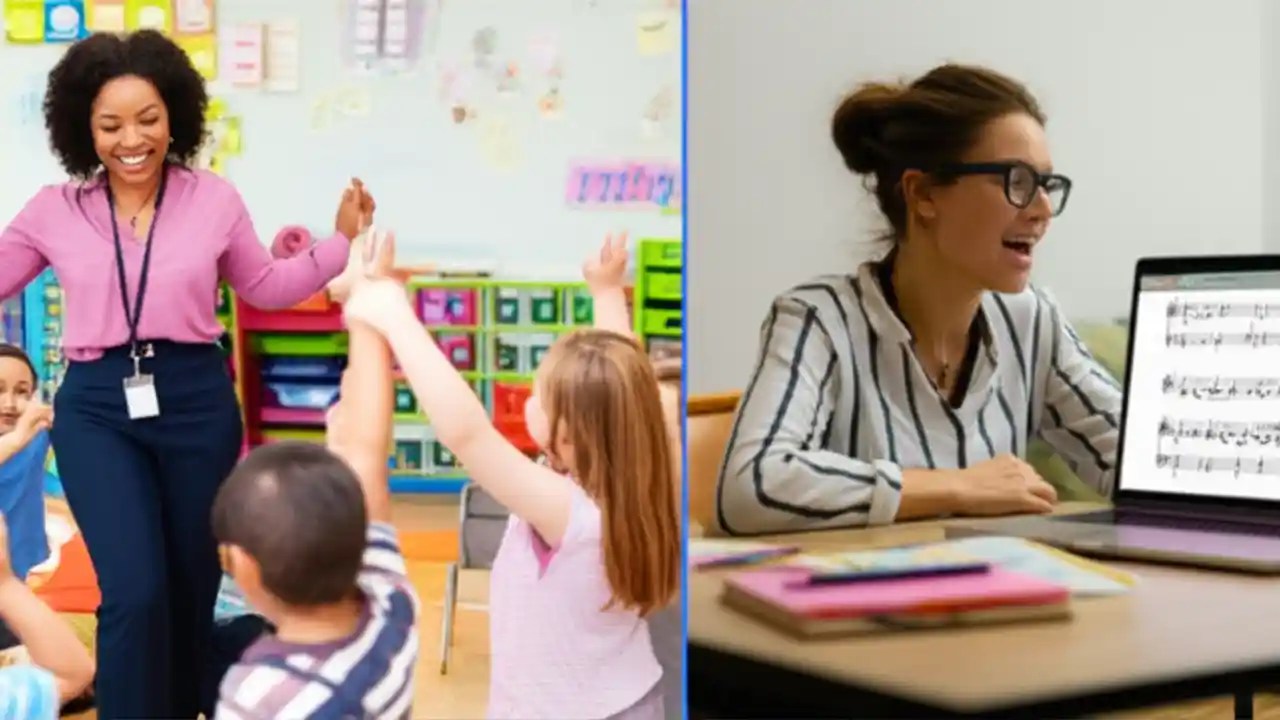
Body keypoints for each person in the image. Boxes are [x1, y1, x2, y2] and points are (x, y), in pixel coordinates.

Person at [0, 30, 374, 718]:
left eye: (148, 118)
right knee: (136, 589)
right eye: (110, 124)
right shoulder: (54, 210)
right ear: (83, 127)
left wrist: (339, 241)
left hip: (197, 401)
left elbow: (265, 282)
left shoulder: (212, 198)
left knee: (189, 584)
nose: (131, 139)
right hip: (97, 410)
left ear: (175, 114)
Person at [716, 63, 1121, 536]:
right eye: (1016, 181)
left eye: (1046, 184)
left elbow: (1140, 468)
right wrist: (956, 487)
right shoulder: (818, 320)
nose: (1042, 209)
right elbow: (751, 487)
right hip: (861, 602)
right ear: (924, 193)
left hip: (1001, 598)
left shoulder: (1033, 322)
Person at [343, 239, 681, 720]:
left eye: (539, 397)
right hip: (627, 698)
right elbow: (628, 392)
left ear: (572, 435)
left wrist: (396, 316)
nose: (527, 400)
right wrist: (606, 293)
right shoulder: (642, 477)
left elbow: (468, 436)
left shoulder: (568, 512)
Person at [211, 303, 418, 717]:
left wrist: (362, 311)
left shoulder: (255, 692)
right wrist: (365, 306)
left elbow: (367, 461)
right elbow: (367, 460)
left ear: (242, 567)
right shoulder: (392, 607)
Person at [0, 344, 53, 652]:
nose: (9, 403)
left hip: (22, 581)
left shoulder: (36, 435)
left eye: (22, 392)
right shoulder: (25, 437)